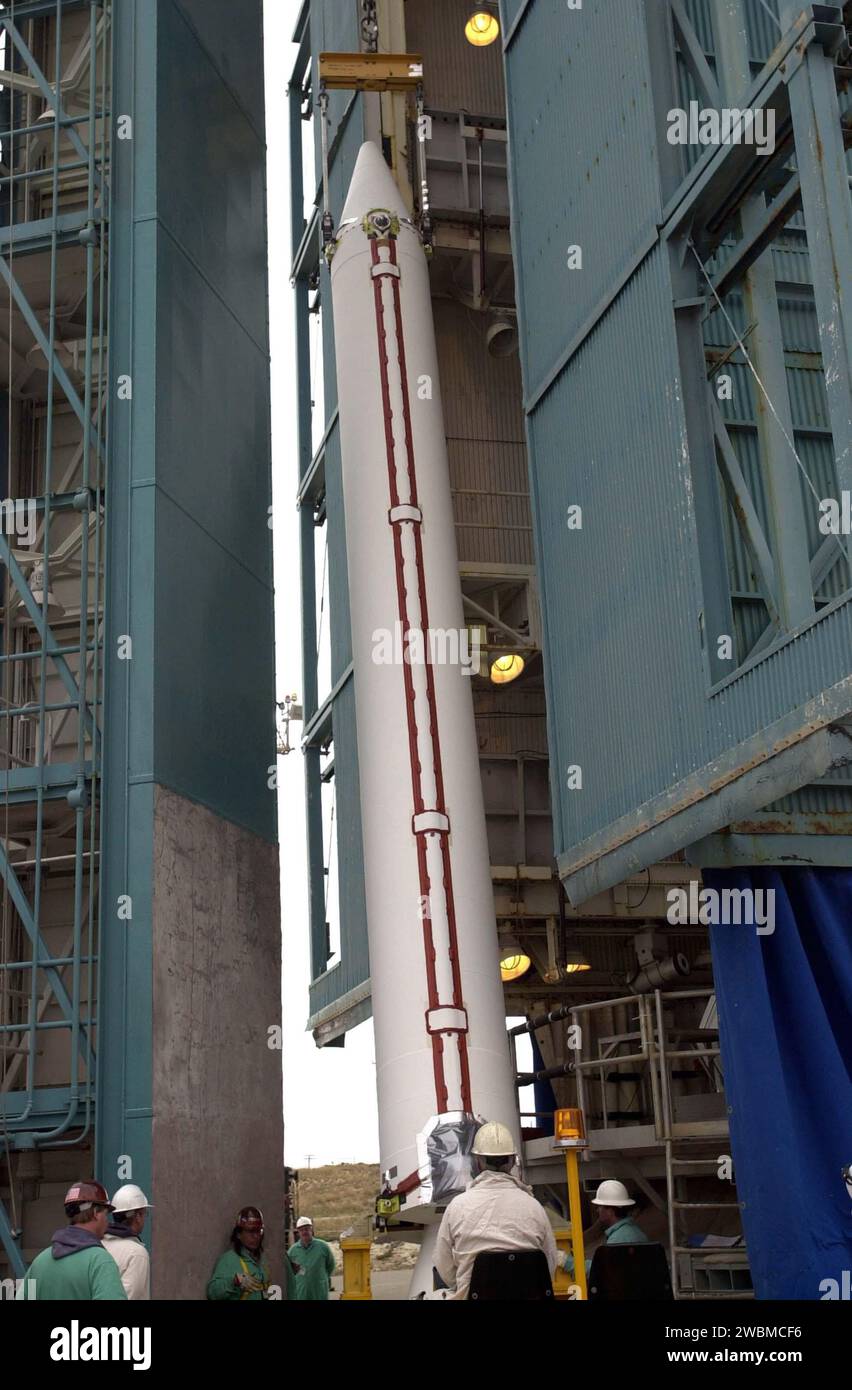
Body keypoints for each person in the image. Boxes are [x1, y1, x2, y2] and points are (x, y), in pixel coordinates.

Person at [434, 1121, 558, 1299]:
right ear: (512, 1161)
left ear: (478, 1162)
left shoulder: (457, 1206)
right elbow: (549, 1265)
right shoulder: (534, 1207)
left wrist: (466, 1283)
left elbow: (443, 1264)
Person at [16, 1181, 127, 1300]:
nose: (107, 1221)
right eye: (106, 1214)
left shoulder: (39, 1262)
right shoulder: (100, 1261)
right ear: (95, 1213)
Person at [563, 1179, 649, 1279]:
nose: (597, 1210)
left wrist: (568, 1263)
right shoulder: (635, 1232)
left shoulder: (619, 1238)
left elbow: (600, 1270)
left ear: (610, 1211)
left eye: (600, 1206)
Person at [207, 1206, 271, 1300]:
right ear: (238, 1234)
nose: (256, 1236)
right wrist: (234, 1281)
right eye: (251, 1231)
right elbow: (212, 1292)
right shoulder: (229, 1260)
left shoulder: (262, 1260)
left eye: (258, 1231)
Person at [102, 1183, 152, 1300]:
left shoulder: (98, 1245)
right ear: (138, 1217)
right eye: (145, 1214)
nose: (144, 1218)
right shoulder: (137, 1253)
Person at [287, 1216, 336, 1301]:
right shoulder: (292, 1251)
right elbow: (289, 1271)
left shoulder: (322, 1246)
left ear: (311, 1229)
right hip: (301, 1292)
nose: (304, 1232)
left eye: (307, 1229)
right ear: (298, 1232)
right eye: (301, 1230)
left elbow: (330, 1265)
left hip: (319, 1292)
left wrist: (321, 1277)